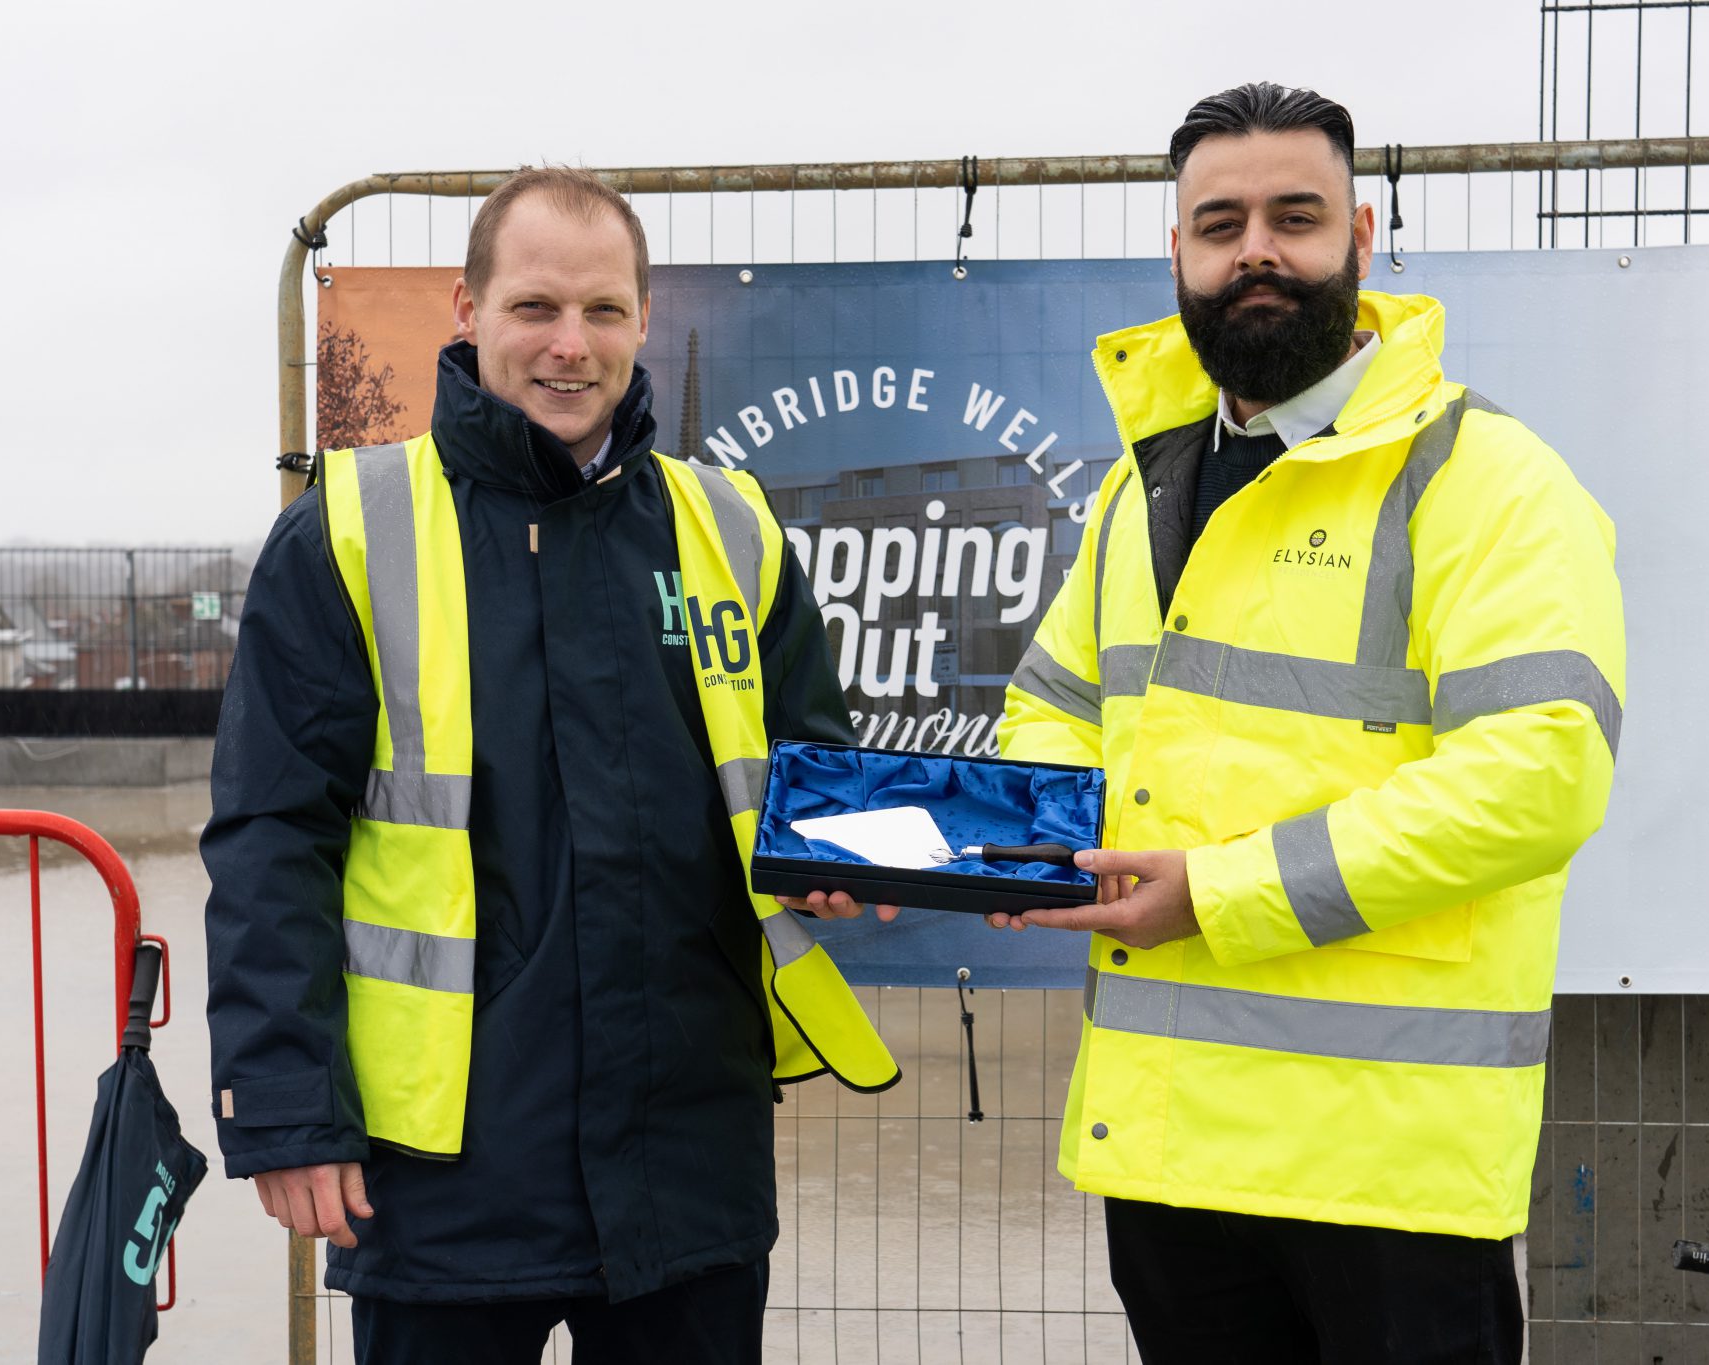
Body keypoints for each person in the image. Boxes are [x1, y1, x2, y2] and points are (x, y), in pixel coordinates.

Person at [202, 165, 897, 1365]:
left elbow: (806, 767)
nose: (569, 346)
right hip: (443, 1174)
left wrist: (850, 852)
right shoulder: (349, 531)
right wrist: (284, 1109)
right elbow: (271, 840)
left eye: (603, 311)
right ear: (466, 314)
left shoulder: (730, 527)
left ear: (642, 319)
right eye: (534, 308)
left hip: (684, 1157)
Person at [992, 84, 1625, 1364]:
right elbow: (1049, 710)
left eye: (1295, 216)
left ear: (1362, 232)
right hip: (1169, 1155)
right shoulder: (1141, 486)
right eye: (1218, 224)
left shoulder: (1485, 481)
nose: (1254, 252)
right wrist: (1001, 843)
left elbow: (1538, 774)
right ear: (1175, 253)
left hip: (1385, 1176)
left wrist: (1218, 895)